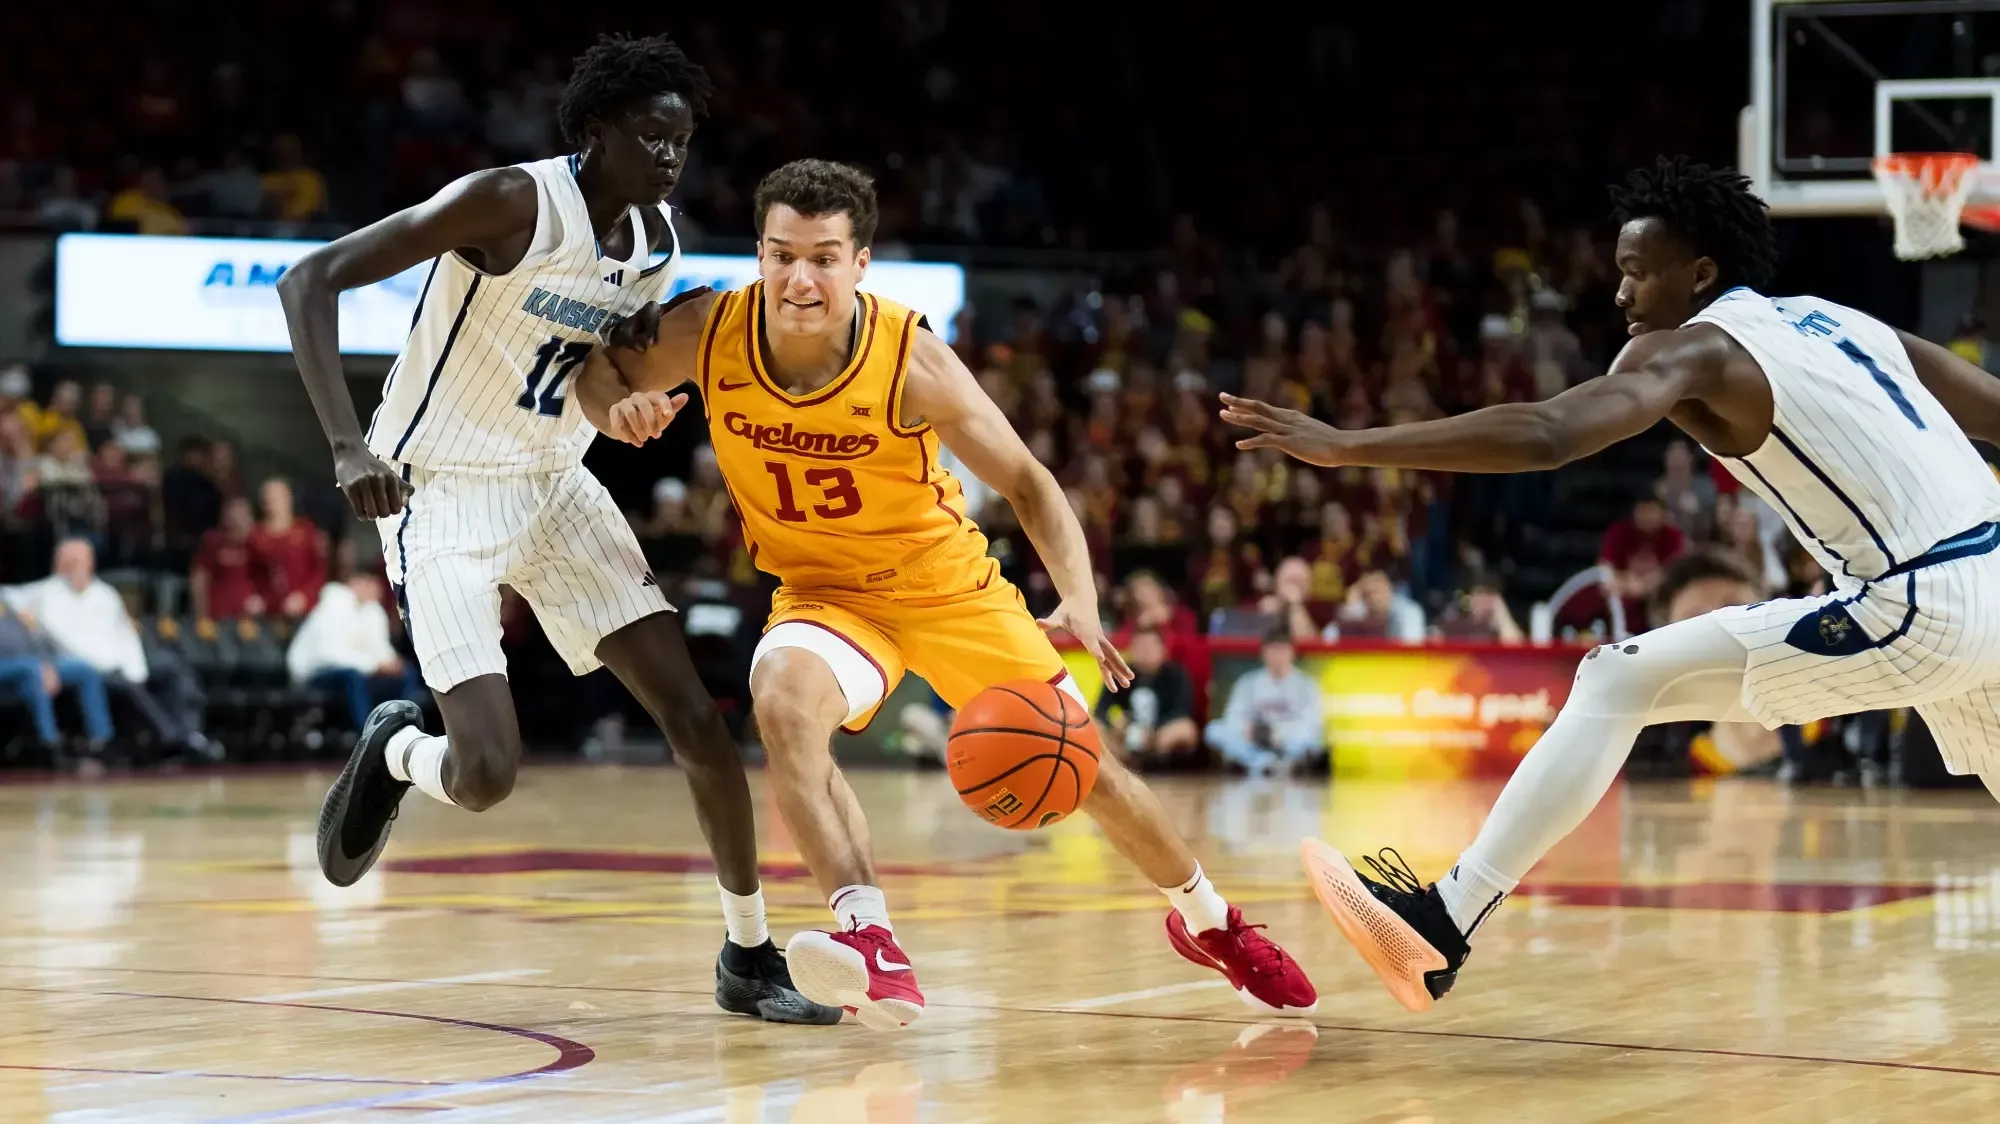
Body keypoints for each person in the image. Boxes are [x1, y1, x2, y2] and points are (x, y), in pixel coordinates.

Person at [1223, 155, 2000, 1013]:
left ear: (1699, 274)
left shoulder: (1698, 352)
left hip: (1924, 603)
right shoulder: (1833, 321)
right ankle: (1441, 924)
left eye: (1636, 271)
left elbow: (1552, 433)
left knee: (1617, 676)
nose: (1621, 293)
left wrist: (1348, 446)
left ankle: (1443, 923)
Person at [581, 158, 1316, 1030]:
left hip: (946, 588)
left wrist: (1078, 598)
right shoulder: (708, 328)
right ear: (760, 254)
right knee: (781, 708)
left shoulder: (912, 359)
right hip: (824, 595)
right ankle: (871, 942)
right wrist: (609, 412)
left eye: (823, 258)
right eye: (781, 256)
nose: (799, 279)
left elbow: (1033, 485)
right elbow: (598, 369)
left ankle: (1210, 922)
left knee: (1091, 772)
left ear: (860, 264)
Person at [274, 33, 831, 1025]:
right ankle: (398, 750)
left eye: (682, 141)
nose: (668, 159)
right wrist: (344, 446)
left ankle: (749, 952)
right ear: (594, 130)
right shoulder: (508, 201)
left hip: (553, 482)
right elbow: (307, 281)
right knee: (484, 773)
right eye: (651, 137)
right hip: (433, 486)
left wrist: (623, 402)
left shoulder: (656, 243)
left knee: (697, 719)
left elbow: (592, 369)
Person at [8, 539, 204, 754]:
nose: (76, 567)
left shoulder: (106, 594)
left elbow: (126, 635)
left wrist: (135, 669)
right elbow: (9, 596)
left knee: (171, 667)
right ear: (58, 565)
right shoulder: (43, 594)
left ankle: (192, 734)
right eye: (69, 562)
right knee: (125, 685)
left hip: (121, 662)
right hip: (90, 665)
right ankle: (171, 739)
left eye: (80, 561)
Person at [288, 569, 423, 729]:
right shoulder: (333, 604)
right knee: (354, 677)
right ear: (354, 583)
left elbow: (379, 647)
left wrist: (391, 662)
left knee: (406, 671)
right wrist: (375, 666)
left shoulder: (372, 609)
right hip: (314, 673)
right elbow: (331, 656)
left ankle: (402, 728)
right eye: (368, 583)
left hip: (357, 671)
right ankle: (366, 735)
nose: (374, 589)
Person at [1203, 628, 1325, 776]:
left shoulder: (1307, 685)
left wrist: (1279, 733)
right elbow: (1233, 718)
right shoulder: (1248, 682)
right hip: (1254, 742)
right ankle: (1266, 763)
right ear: (1263, 653)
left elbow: (1312, 723)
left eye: (1282, 650)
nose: (1277, 656)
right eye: (1273, 650)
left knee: (1312, 740)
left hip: (1288, 741)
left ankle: (1273, 763)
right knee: (1213, 730)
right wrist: (1253, 731)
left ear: (1292, 652)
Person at [0, 597, 113, 751]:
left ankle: (102, 739)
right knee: (34, 672)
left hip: (31, 664)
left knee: (85, 670)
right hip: (10, 667)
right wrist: (39, 667)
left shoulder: (7, 601)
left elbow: (34, 638)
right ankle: (49, 742)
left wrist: (45, 662)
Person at [1094, 626, 1199, 767]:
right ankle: (1125, 761)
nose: (1145, 652)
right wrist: (1117, 722)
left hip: (1160, 733)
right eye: (1140, 647)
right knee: (1096, 727)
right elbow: (1100, 710)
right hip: (1127, 734)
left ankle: (1154, 761)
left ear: (1162, 650)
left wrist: (1153, 730)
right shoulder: (1118, 673)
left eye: (1150, 647)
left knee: (1185, 729)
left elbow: (1182, 711)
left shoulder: (1177, 675)